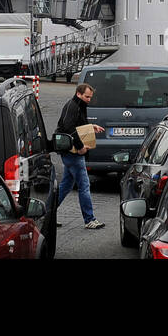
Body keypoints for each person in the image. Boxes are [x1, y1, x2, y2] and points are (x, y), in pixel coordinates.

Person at [56, 83, 106, 229]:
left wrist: (91, 127)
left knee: (66, 185)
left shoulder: (77, 104)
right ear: (79, 94)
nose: (89, 99)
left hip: (68, 151)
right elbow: (69, 128)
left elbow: (78, 125)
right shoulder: (74, 106)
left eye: (90, 97)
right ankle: (89, 219)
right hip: (72, 152)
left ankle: (46, 214)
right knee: (84, 185)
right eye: (87, 97)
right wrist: (80, 147)